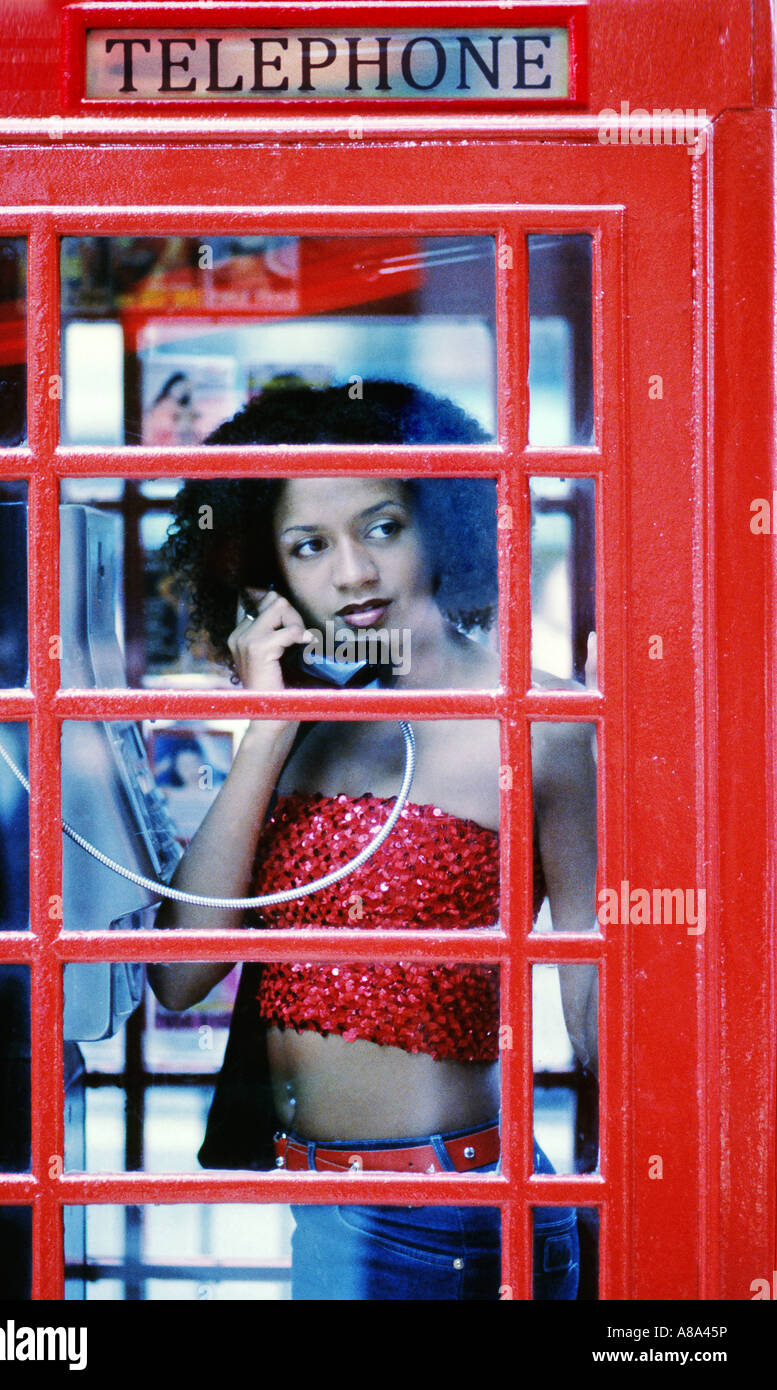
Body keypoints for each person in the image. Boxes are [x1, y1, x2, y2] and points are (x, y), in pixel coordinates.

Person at [149, 381, 598, 1301]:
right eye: (310, 547)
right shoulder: (307, 721)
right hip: (320, 1204)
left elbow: (598, 991)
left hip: (448, 1220)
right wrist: (264, 730)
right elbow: (178, 970)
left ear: (441, 526)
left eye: (382, 527)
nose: (352, 573)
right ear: (264, 576)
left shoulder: (541, 724)